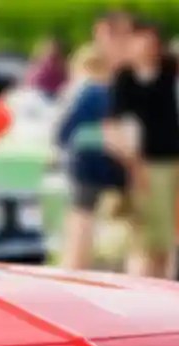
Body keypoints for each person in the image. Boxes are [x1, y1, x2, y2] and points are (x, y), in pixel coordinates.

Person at [105, 19, 179, 279]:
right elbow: (115, 125)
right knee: (143, 237)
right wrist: (131, 164)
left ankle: (165, 282)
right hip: (142, 163)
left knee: (165, 235)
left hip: (172, 159)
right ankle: (142, 285)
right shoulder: (124, 78)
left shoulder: (168, 70)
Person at [56, 45, 128, 271]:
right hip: (113, 163)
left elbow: (63, 131)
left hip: (85, 164)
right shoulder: (114, 91)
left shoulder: (87, 92)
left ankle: (76, 266)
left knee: (81, 220)